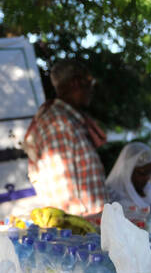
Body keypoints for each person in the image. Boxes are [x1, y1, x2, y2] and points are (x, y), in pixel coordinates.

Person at [23, 60, 108, 218]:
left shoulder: (69, 119)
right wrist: (84, 234)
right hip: (83, 233)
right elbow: (65, 197)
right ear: (76, 82)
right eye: (90, 82)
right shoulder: (58, 122)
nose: (92, 89)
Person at [106, 141, 151, 211]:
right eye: (142, 173)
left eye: (150, 172)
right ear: (127, 171)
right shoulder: (113, 196)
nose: (148, 178)